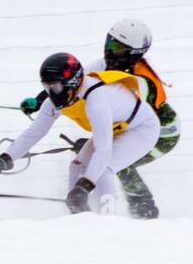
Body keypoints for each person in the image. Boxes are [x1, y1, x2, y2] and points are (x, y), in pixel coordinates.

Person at [19, 19, 178, 217]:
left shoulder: (143, 82)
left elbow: (129, 122)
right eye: (109, 43)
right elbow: (74, 80)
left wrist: (95, 145)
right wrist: (39, 100)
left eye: (118, 48)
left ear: (134, 53)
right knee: (100, 162)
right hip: (124, 128)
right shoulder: (103, 64)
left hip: (163, 133)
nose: (110, 51)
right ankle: (89, 208)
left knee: (114, 164)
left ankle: (144, 211)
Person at [0, 52, 161, 216]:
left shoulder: (96, 100)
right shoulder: (57, 100)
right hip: (116, 128)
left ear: (73, 82)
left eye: (55, 85)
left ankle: (109, 221)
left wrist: (84, 187)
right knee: (77, 165)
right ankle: (80, 215)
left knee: (104, 170)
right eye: (46, 86)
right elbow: (34, 133)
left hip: (140, 129)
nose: (50, 92)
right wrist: (5, 159)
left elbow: (103, 151)